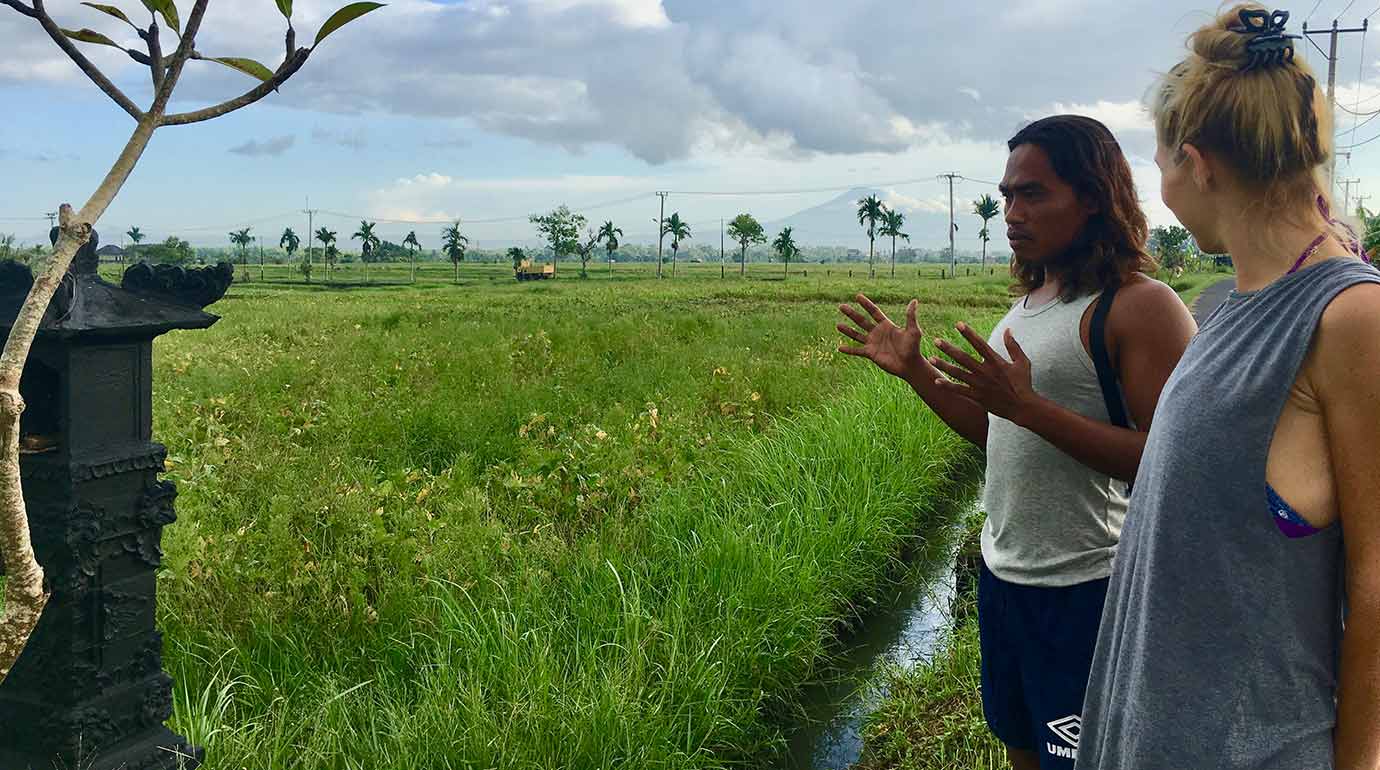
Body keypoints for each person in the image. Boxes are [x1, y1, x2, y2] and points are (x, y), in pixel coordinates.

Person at [836, 115, 1197, 770]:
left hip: (1086, 589)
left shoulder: (1140, 306)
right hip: (1005, 580)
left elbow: (1174, 463)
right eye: (1006, 196)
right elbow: (997, 432)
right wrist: (918, 374)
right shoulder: (1031, 304)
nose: (1012, 213)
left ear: (1093, 197)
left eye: (1033, 193)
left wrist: (1029, 408)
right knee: (1022, 748)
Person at [1075, 6, 1380, 770]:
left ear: (1199, 163)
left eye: (1161, 163)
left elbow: (1378, 580)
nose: (1162, 186)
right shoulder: (1234, 302)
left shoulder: (1352, 317)